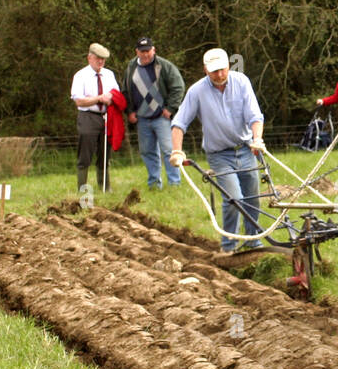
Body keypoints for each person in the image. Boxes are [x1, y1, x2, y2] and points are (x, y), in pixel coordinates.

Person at [169, 48, 266, 253]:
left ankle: (253, 240)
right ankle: (229, 246)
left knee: (252, 197)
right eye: (214, 71)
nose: (220, 75)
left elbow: (255, 116)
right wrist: (176, 151)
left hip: (247, 149)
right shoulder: (196, 91)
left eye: (222, 69)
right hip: (220, 155)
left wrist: (257, 139)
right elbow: (179, 122)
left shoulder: (241, 82)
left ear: (228, 66)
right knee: (233, 199)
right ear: (205, 70)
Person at [122, 37, 185, 189]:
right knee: (147, 152)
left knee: (169, 151)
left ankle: (174, 183)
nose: (145, 54)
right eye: (142, 51)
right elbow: (125, 90)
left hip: (161, 117)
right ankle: (154, 184)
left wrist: (170, 108)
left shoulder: (164, 65)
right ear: (137, 52)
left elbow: (178, 86)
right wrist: (129, 111)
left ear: (153, 50)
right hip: (142, 118)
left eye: (148, 51)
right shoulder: (131, 67)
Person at [71, 42, 120, 192]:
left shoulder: (109, 75)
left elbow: (116, 94)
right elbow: (79, 100)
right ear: (89, 58)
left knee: (105, 151)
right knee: (85, 153)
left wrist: (110, 99)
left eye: (103, 59)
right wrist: (99, 98)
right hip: (88, 117)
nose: (101, 62)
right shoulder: (80, 75)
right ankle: (82, 187)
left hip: (106, 116)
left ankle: (105, 186)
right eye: (98, 58)